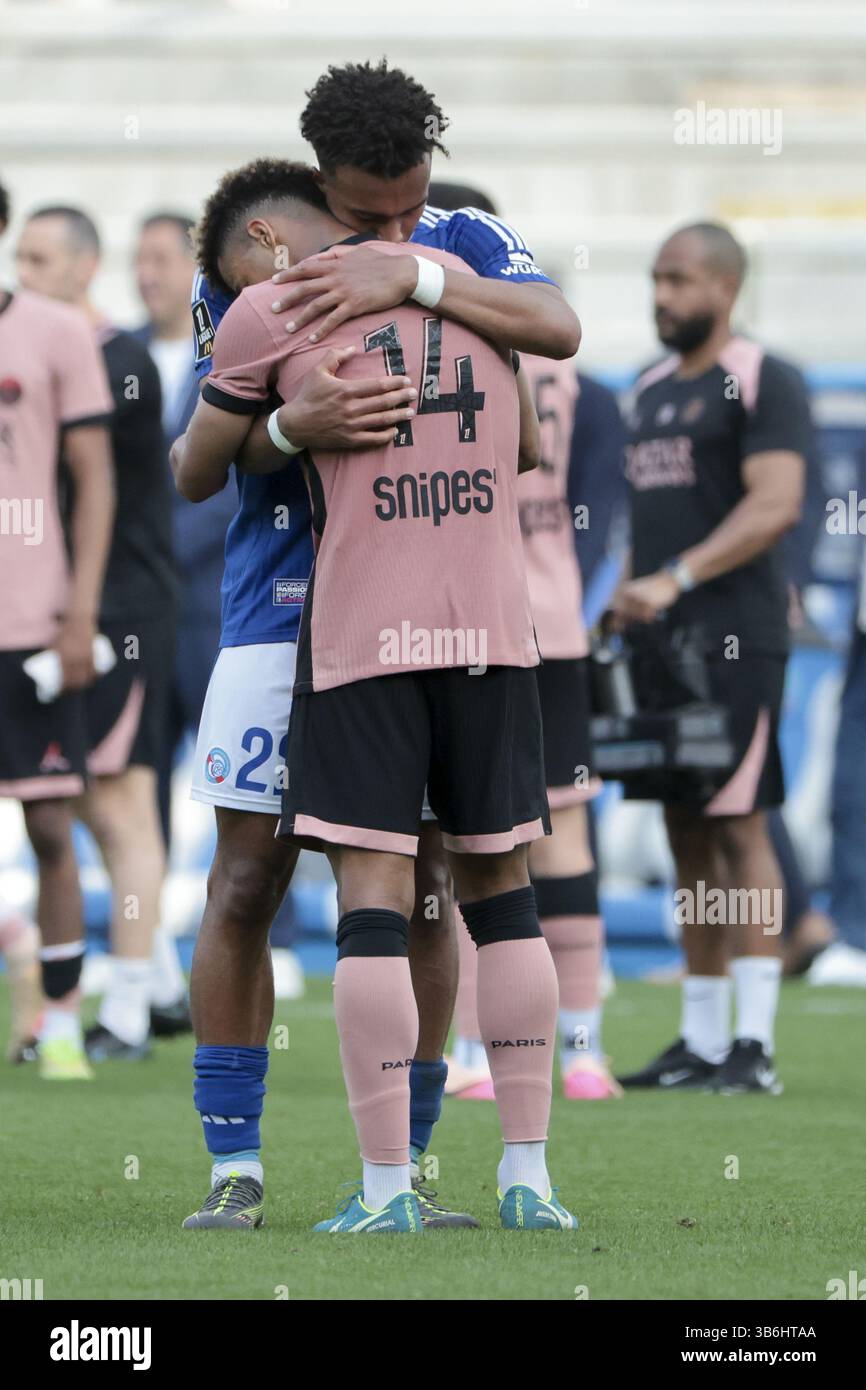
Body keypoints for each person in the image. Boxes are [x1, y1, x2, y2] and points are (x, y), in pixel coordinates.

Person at [175, 59, 579, 1232]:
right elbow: (201, 465)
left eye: (410, 204)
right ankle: (234, 1163)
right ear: (317, 190)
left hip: (419, 614)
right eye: (369, 213)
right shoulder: (269, 274)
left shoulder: (466, 243)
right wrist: (290, 428)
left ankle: (407, 1164)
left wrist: (414, 270)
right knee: (248, 880)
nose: (392, 226)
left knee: (426, 892)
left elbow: (548, 348)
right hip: (279, 615)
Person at [426, 181, 618, 1101]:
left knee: (465, 836)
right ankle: (583, 1049)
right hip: (556, 616)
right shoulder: (572, 370)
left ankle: (467, 1054)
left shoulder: (426, 346)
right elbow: (602, 512)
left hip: (466, 616)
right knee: (565, 829)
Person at [612, 222, 809, 1094]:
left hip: (737, 636)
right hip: (655, 642)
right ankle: (700, 1036)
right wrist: (623, 597)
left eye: (680, 280)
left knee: (738, 822)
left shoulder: (767, 378)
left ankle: (755, 1044)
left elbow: (777, 504)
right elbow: (635, 522)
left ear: (726, 287)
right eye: (656, 278)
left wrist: (677, 578)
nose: (663, 295)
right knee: (683, 825)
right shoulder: (644, 392)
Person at [17, 205, 183, 1059]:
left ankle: (125, 1007)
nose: (24, 270)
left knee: (119, 802)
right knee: (71, 801)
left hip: (118, 609)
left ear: (83, 266)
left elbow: (83, 491)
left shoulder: (114, 360)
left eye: (39, 257)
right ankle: (140, 981)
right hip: (57, 610)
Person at [0, 179, 115, 1081]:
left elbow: (95, 480)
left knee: (51, 825)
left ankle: (64, 1023)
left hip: (29, 622)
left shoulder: (54, 331)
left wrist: (80, 613)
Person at [133, 212, 235, 860]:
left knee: (239, 789)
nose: (145, 276)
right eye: (137, 261)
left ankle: (271, 946)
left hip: (211, 605)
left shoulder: (231, 350)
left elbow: (230, 483)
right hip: (141, 612)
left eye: (160, 260)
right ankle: (146, 948)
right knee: (137, 785)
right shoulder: (117, 353)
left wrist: (149, 547)